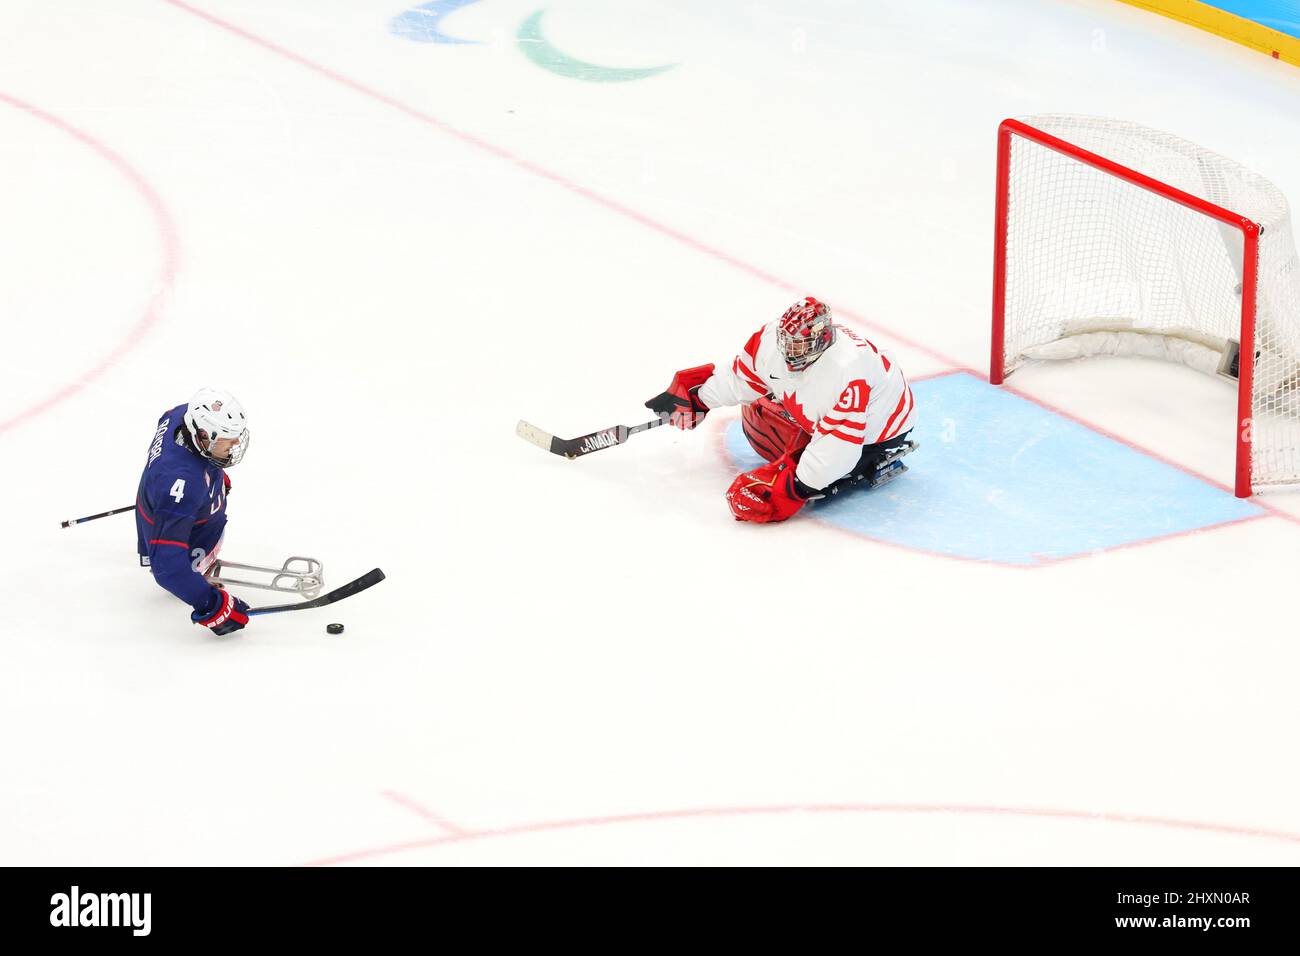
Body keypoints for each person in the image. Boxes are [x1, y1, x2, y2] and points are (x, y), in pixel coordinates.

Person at [647, 297, 915, 523]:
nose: (789, 351)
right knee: (757, 411)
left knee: (803, 451)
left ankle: (860, 459)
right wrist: (700, 398)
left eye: (798, 345)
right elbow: (744, 376)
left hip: (879, 430)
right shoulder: (772, 338)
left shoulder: (847, 372)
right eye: (786, 342)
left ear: (821, 340)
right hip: (836, 417)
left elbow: (838, 446)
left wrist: (794, 488)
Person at [135, 388, 251, 635]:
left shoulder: (181, 415)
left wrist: (210, 475)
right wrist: (211, 604)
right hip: (185, 527)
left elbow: (166, 419)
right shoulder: (182, 486)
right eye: (228, 437)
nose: (236, 443)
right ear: (203, 435)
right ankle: (197, 568)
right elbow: (167, 567)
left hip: (163, 499)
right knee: (178, 563)